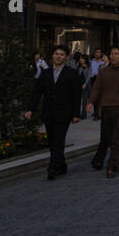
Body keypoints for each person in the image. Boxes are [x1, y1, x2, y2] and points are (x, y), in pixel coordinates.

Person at [24, 45, 83, 180]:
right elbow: (36, 92)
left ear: (66, 57)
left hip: (65, 113)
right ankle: (61, 165)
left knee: (59, 140)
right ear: (52, 56)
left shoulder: (72, 73)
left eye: (62, 54)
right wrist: (30, 109)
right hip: (49, 112)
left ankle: (52, 167)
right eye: (56, 54)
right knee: (52, 141)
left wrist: (76, 114)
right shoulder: (45, 73)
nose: (58, 56)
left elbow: (76, 95)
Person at [85, 45, 119, 178]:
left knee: (116, 138)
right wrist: (91, 102)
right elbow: (96, 88)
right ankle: (118, 159)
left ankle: (112, 165)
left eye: (116, 54)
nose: (113, 56)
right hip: (106, 109)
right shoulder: (104, 72)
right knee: (107, 137)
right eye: (112, 53)